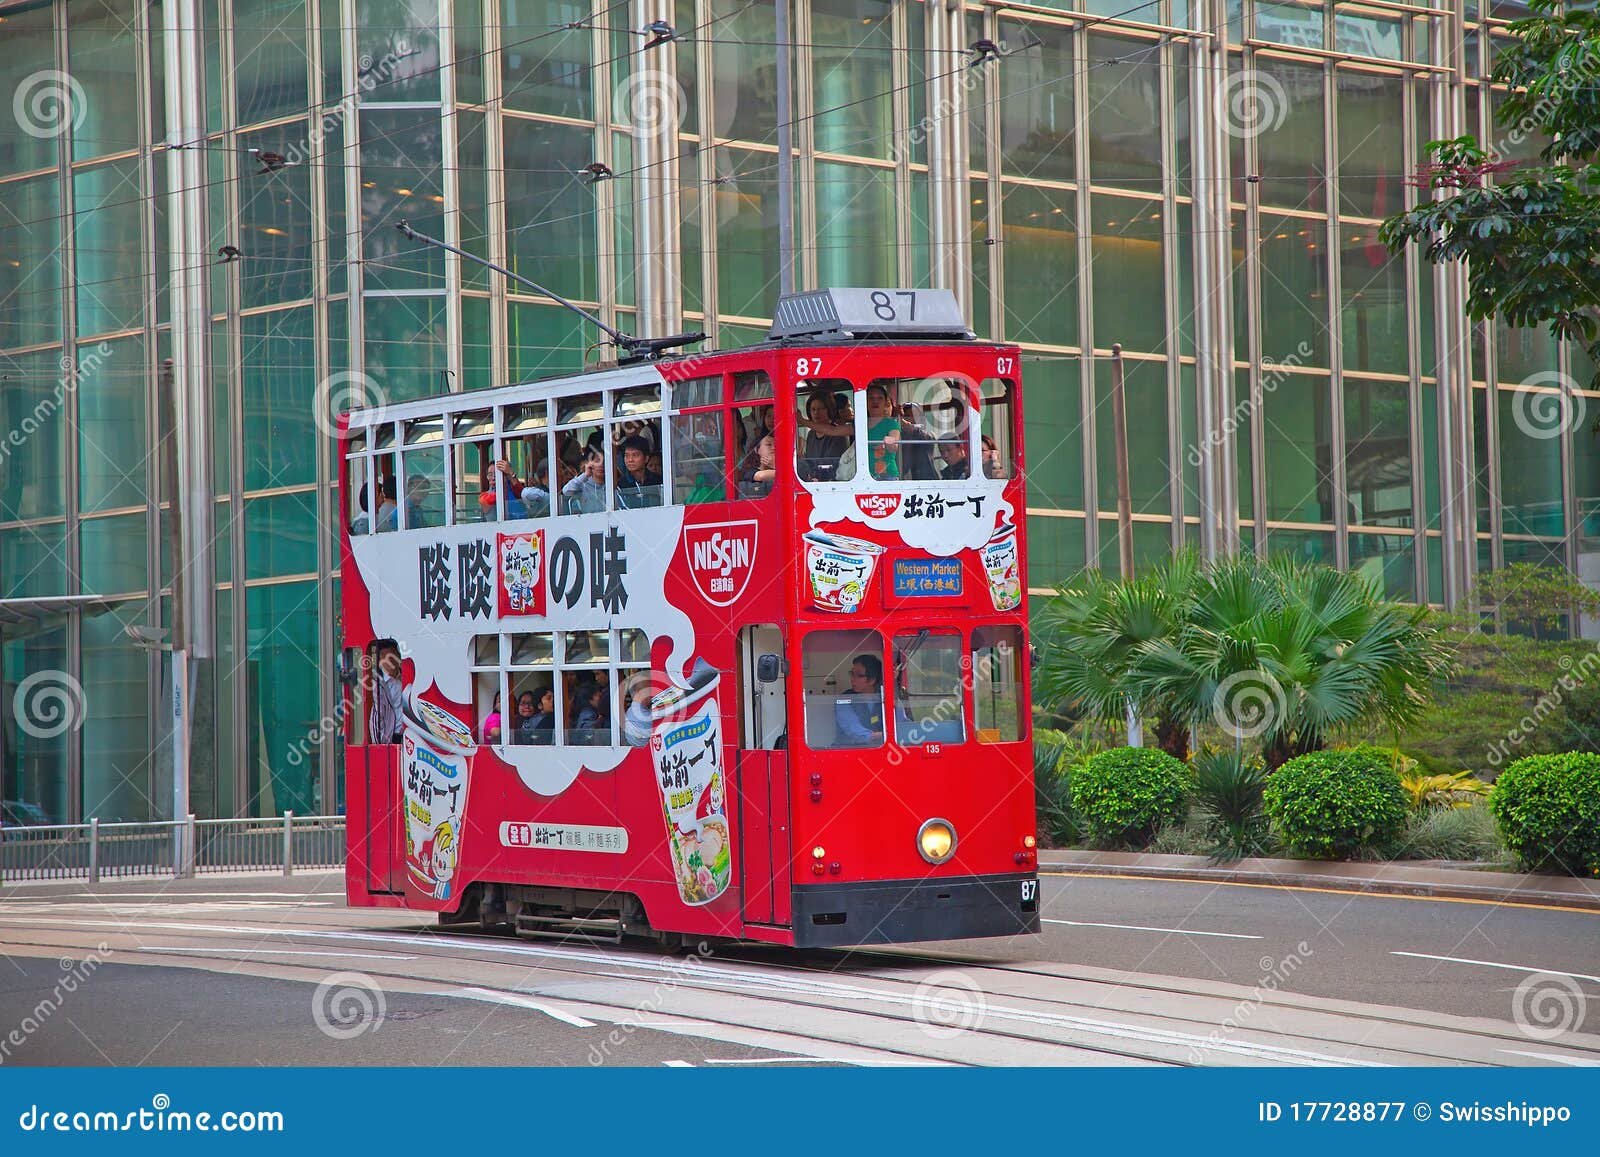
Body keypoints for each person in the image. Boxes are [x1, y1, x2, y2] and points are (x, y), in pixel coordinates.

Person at [864, 385, 936, 481]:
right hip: (880, 474)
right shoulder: (864, 424)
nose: (875, 401)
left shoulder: (916, 432)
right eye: (905, 415)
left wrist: (900, 422)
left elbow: (894, 445)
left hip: (918, 476)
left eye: (911, 416)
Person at [833, 653, 886, 747]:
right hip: (847, 753)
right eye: (852, 674)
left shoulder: (886, 698)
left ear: (872, 680)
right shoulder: (844, 700)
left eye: (859, 675)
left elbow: (902, 724)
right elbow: (856, 732)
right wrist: (888, 735)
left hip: (878, 751)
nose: (852, 679)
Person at [796, 392, 850, 481]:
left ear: (830, 410)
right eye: (813, 409)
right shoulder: (811, 434)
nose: (817, 412)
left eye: (822, 408)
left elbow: (831, 465)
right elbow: (810, 462)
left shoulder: (839, 433)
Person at [368, 640, 405, 745]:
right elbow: (376, 717)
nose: (392, 662)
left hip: (409, 734)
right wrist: (379, 745)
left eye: (394, 657)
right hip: (392, 737)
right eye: (388, 658)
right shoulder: (377, 684)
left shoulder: (406, 677)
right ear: (380, 659)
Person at [615, 435, 663, 508]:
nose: (630, 460)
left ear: (646, 458)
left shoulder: (658, 480)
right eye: (627, 455)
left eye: (635, 455)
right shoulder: (621, 485)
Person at [560, 446, 607, 513]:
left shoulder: (612, 484)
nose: (601, 465)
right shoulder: (583, 483)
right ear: (590, 464)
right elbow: (566, 491)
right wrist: (585, 475)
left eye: (604, 462)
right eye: (597, 461)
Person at [736, 433, 776, 498]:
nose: (774, 448)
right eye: (768, 445)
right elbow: (760, 476)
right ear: (757, 450)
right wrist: (776, 466)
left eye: (777, 445)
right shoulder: (749, 470)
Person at [623, 678, 653, 746]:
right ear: (639, 692)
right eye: (649, 689)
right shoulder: (640, 714)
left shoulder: (633, 710)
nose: (652, 692)